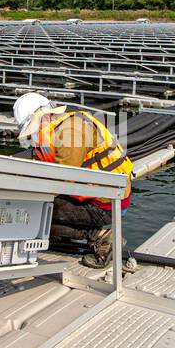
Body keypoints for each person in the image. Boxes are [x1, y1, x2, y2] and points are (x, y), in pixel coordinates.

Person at [13, 92, 133, 268]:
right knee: (37, 214)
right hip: (90, 195)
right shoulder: (52, 133)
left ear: (45, 116)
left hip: (107, 201)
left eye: (33, 127)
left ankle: (102, 237)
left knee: (40, 212)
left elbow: (64, 178)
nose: (34, 135)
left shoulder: (72, 130)